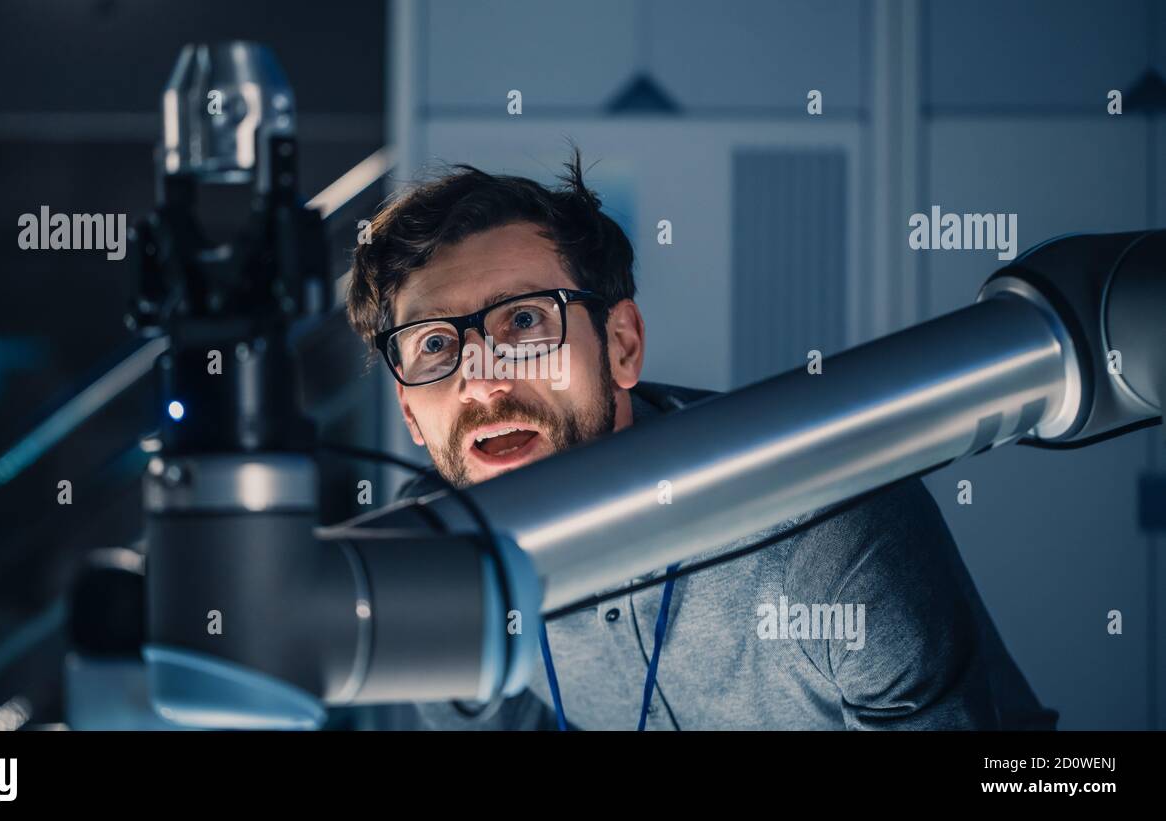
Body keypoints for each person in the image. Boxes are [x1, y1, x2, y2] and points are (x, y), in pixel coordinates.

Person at [344, 149, 1058, 730]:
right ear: (410, 412)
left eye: (525, 322)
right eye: (435, 343)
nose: (482, 379)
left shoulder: (825, 527)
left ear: (622, 344)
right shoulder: (432, 555)